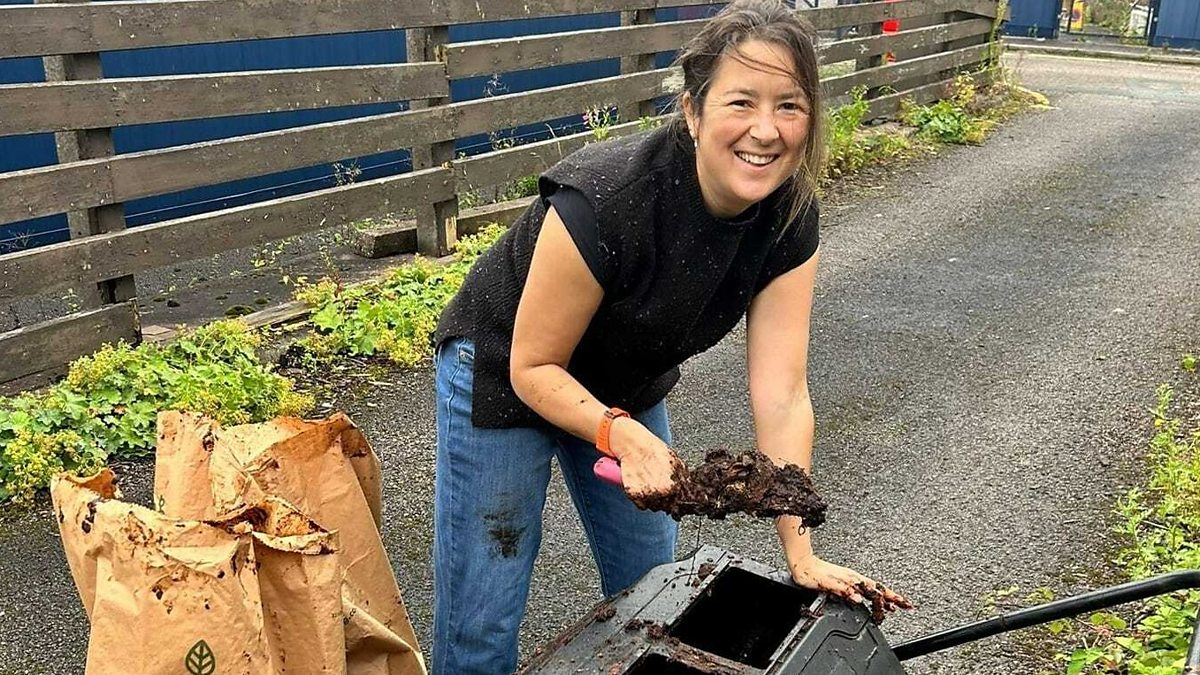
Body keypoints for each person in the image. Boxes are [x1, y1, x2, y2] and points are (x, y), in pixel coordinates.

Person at [430, 1, 909, 672]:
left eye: (790, 106)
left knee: (656, 592)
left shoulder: (789, 216)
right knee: (483, 619)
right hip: (508, 368)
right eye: (741, 101)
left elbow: (783, 391)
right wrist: (620, 434)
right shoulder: (605, 200)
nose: (766, 131)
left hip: (624, 377)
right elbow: (534, 365)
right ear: (693, 110)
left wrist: (800, 553)